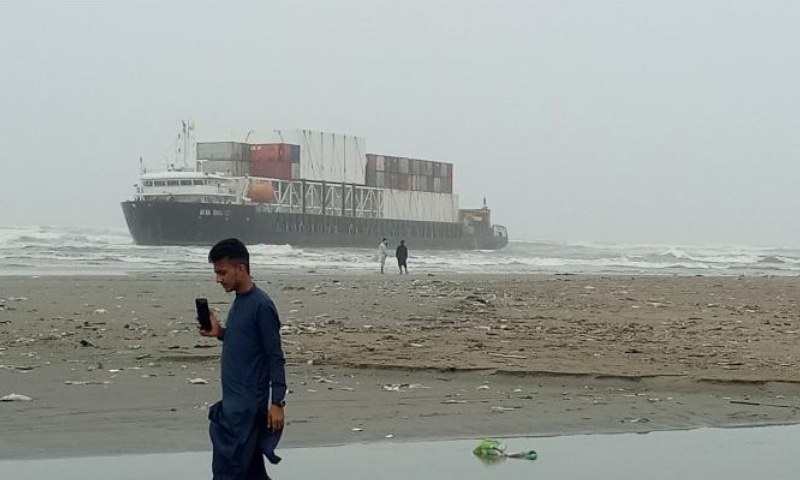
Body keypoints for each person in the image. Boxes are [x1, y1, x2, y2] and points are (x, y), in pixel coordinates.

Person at [199, 238, 287, 480]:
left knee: (231, 474)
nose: (218, 279)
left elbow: (275, 357)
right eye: (216, 272)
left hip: (247, 410)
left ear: (241, 268)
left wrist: (277, 403)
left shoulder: (262, 305)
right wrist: (220, 333)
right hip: (231, 407)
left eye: (222, 272)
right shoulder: (240, 301)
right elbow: (246, 343)